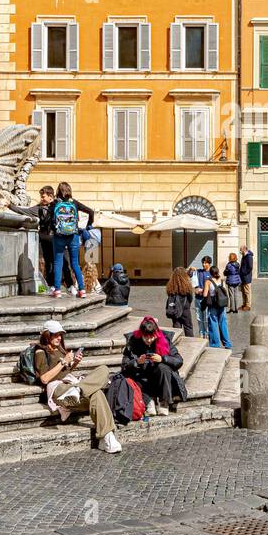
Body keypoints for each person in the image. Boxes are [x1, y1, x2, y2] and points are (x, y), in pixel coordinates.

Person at [33, 321, 122, 453]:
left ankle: (79, 390)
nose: (59, 338)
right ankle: (108, 438)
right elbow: (45, 379)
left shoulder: (60, 349)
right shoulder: (40, 351)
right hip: (57, 389)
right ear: (47, 335)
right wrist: (64, 362)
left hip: (72, 386)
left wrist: (74, 363)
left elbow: (66, 371)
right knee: (97, 393)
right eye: (56, 335)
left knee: (103, 370)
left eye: (60, 335)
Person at [121, 315, 187, 416]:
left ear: (156, 334)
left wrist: (163, 359)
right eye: (145, 337)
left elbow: (179, 360)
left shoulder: (165, 340)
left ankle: (164, 403)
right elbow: (124, 367)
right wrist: (137, 362)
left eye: (151, 337)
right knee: (135, 376)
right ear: (141, 334)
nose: (149, 340)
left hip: (161, 379)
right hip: (142, 379)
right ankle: (148, 401)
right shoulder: (133, 343)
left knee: (163, 367)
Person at [48, 182, 95, 300]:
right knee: (75, 263)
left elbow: (50, 220)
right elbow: (91, 212)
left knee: (58, 263)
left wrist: (55, 229)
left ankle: (57, 290)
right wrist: (89, 225)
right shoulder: (74, 202)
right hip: (73, 236)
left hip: (58, 237)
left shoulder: (54, 203)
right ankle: (82, 290)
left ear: (58, 191)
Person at [202, 264, 232, 349]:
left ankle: (215, 344)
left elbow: (205, 294)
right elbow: (225, 292)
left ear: (210, 273)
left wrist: (202, 291)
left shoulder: (208, 281)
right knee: (223, 324)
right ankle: (227, 343)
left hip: (213, 305)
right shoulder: (222, 280)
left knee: (213, 324)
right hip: (222, 305)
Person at [164, 266, 197, 337]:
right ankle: (190, 344)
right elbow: (190, 298)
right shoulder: (186, 286)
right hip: (185, 310)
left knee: (176, 328)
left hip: (175, 309)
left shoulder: (171, 286)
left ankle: (177, 342)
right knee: (188, 328)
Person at [194, 255, 213, 331]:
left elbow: (212, 287)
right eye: (203, 263)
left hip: (206, 299)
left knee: (206, 317)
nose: (203, 264)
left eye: (205, 263)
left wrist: (203, 290)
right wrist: (190, 269)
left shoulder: (211, 273)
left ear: (209, 263)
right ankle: (201, 332)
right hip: (197, 298)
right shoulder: (199, 272)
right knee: (199, 317)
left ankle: (207, 333)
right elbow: (189, 275)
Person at [239, 244, 254, 311]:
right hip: (242, 276)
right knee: (243, 291)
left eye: (241, 250)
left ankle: (248, 305)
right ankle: (244, 304)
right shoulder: (244, 256)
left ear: (244, 249)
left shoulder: (248, 257)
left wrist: (244, 273)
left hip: (246, 277)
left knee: (247, 291)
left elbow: (250, 267)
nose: (240, 252)